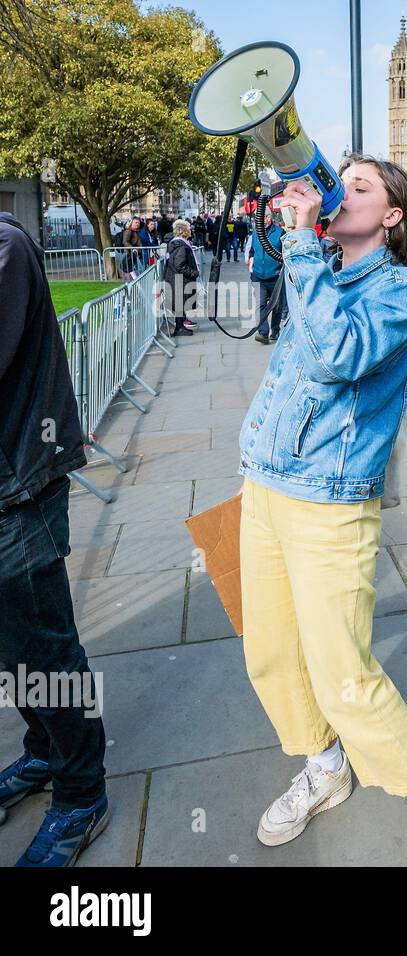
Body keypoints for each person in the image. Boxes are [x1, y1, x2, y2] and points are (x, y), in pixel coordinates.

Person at [237, 155, 407, 867]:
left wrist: (306, 243)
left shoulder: (397, 290)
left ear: (394, 216)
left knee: (343, 672)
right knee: (271, 655)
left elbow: (336, 355)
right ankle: (325, 765)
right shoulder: (322, 266)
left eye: (359, 187)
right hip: (265, 485)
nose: (341, 192)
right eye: (341, 180)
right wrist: (291, 227)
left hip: (330, 502)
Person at [0, 209, 110, 866]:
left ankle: (81, 793)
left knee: (46, 652)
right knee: (13, 654)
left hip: (20, 489)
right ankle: (44, 753)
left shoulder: (5, 248)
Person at [248, 209, 286, 344]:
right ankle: (263, 333)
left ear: (269, 218)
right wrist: (251, 264)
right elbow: (252, 251)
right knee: (261, 304)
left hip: (276, 276)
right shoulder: (255, 233)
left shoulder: (280, 232)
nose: (259, 220)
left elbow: (285, 253)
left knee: (276, 306)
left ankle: (275, 330)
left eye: (262, 217)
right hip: (258, 276)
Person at [162, 219, 200, 337]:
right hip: (180, 279)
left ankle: (180, 326)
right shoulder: (181, 246)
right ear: (184, 231)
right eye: (188, 230)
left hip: (176, 278)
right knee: (180, 303)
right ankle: (179, 327)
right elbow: (179, 265)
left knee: (180, 303)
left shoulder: (176, 243)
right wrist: (193, 273)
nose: (190, 231)